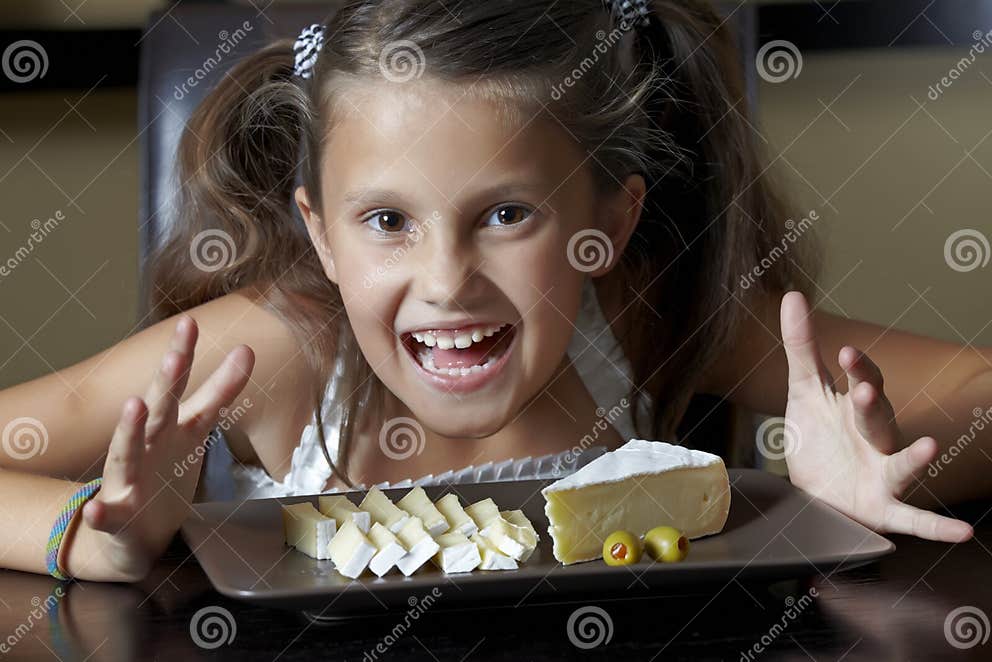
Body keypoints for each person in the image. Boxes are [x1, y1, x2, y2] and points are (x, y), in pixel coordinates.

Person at [0, 0, 985, 583]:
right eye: (388, 221)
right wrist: (88, 540)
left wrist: (857, 491)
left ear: (611, 223)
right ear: (320, 233)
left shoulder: (638, 315)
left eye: (507, 214)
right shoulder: (269, 351)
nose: (445, 283)